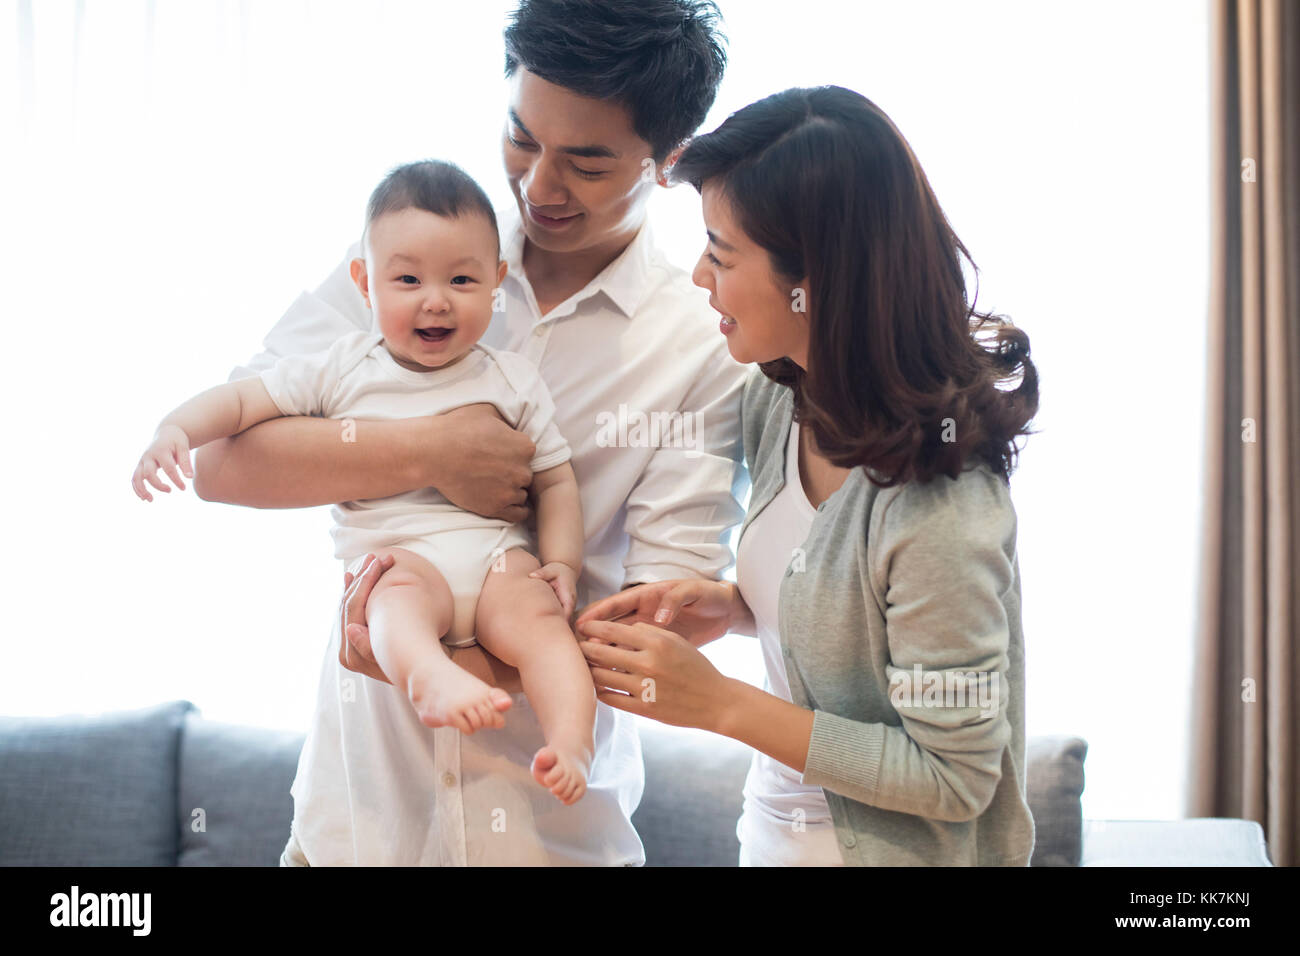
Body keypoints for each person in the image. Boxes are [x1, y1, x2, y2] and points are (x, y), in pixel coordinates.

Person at [192, 0, 743, 866]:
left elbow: (656, 634)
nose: (539, 186)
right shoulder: (407, 255)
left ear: (667, 160)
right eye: (522, 138)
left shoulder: (699, 346)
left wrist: (443, 666)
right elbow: (221, 463)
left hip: (545, 834)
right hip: (356, 819)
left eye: (587, 163)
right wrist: (430, 452)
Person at [576, 86, 1041, 866]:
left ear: (814, 280)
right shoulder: (778, 397)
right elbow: (847, 609)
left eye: (720, 254)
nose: (698, 276)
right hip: (771, 840)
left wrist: (720, 704)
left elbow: (954, 776)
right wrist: (733, 607)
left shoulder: (943, 507)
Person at [132, 160, 599, 820]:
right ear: (365, 282)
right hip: (403, 558)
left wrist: (563, 562)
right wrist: (173, 428)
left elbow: (556, 480)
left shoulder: (512, 378)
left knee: (545, 627)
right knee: (390, 602)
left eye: (461, 280)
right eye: (407, 279)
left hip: (500, 563)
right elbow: (239, 405)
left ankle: (573, 744)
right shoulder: (341, 367)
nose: (435, 299)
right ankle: (428, 676)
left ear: (496, 284)